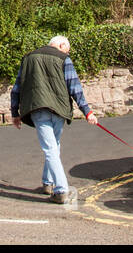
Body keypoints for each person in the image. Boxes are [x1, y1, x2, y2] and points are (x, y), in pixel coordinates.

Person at [10, 35, 98, 203]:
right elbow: (75, 86)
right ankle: (61, 190)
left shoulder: (28, 58)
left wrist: (15, 113)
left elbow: (17, 88)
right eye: (68, 49)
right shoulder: (64, 58)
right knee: (53, 147)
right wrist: (87, 112)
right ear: (61, 44)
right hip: (59, 109)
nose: (68, 52)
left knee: (51, 148)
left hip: (37, 108)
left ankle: (48, 183)